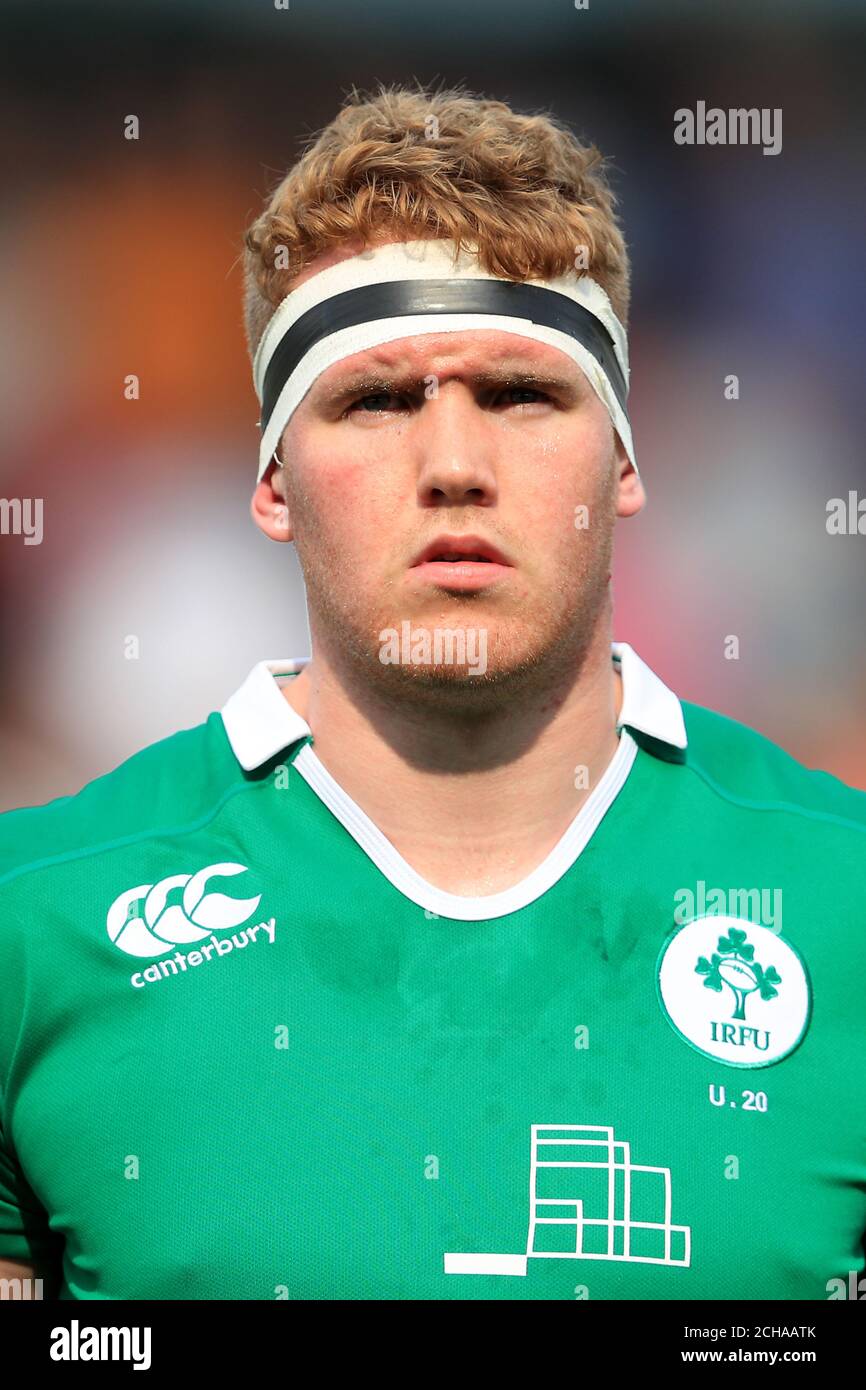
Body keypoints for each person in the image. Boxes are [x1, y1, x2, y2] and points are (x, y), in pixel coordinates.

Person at [1, 83, 864, 1302]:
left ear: (622, 458)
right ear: (270, 483)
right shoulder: (33, 926)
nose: (453, 465)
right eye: (375, 399)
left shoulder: (846, 899)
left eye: (520, 394)